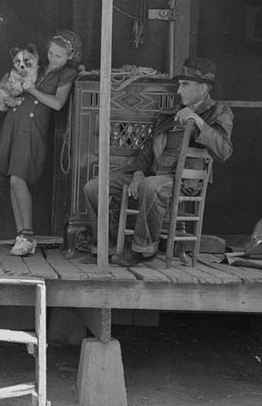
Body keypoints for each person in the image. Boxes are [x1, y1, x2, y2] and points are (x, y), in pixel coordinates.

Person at [82, 57, 233, 266]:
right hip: (154, 174)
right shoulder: (171, 113)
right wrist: (138, 173)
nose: (179, 91)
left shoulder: (218, 112)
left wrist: (197, 121)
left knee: (150, 186)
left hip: (184, 180)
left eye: (185, 85)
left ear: (203, 88)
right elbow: (148, 149)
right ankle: (104, 248)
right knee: (94, 187)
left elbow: (224, 151)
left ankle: (143, 250)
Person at [0, 30, 82, 256]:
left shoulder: (67, 75)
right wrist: (10, 98)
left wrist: (31, 89)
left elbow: (57, 103)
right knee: (13, 179)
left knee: (18, 178)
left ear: (70, 56)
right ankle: (21, 234)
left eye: (59, 56)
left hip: (33, 128)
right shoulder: (38, 68)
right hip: (15, 123)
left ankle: (28, 235)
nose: (53, 58)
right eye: (51, 53)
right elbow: (13, 87)